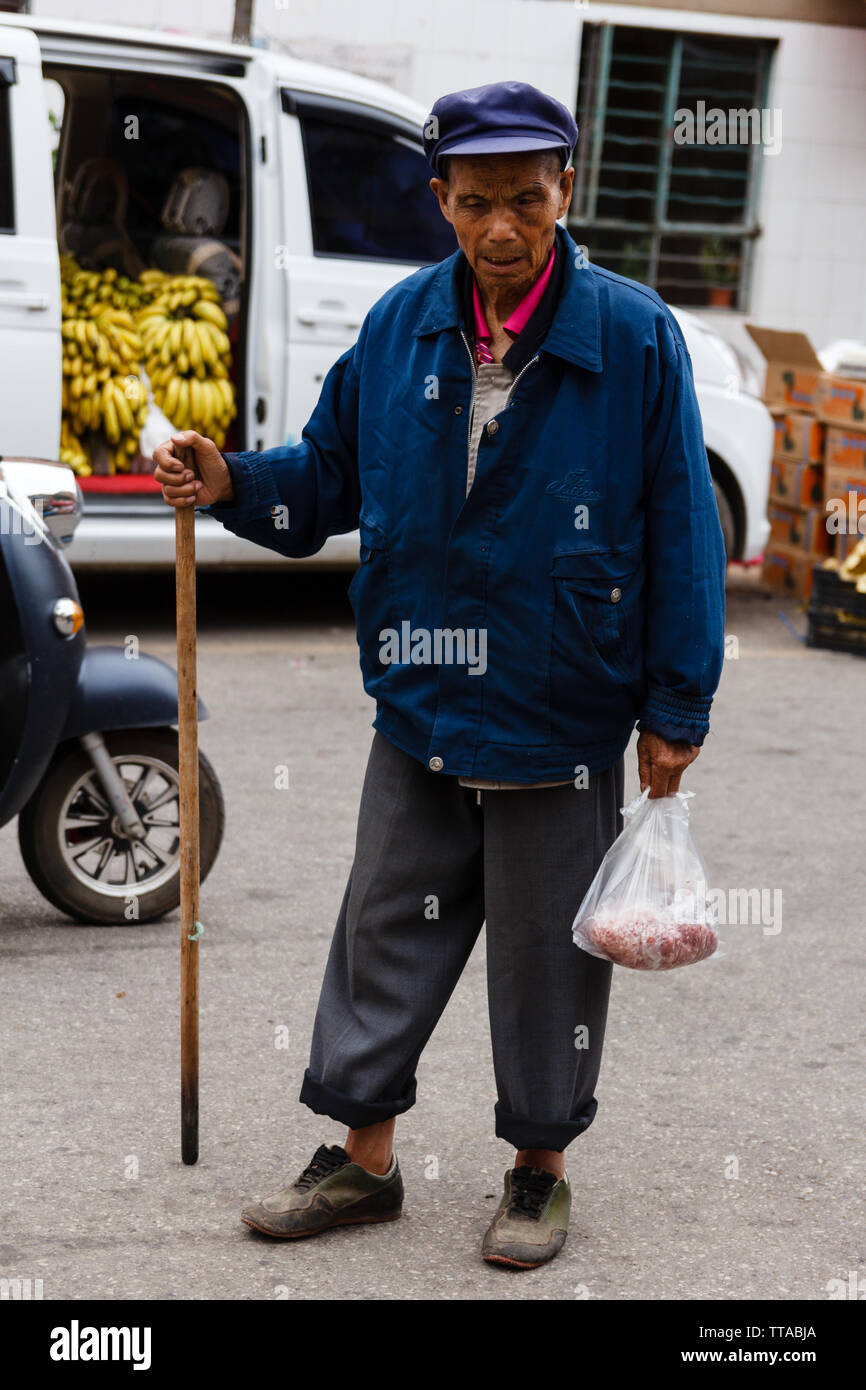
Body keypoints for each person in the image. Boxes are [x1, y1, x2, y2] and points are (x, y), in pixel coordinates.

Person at [154, 80, 726, 1271]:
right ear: (440, 200)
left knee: (544, 953)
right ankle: (363, 1162)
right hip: (417, 701)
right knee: (381, 933)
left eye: (525, 198)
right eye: (475, 204)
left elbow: (682, 531)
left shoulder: (631, 338)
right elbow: (322, 479)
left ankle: (536, 1172)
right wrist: (228, 484)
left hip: (562, 703)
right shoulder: (399, 325)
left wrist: (676, 708)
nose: (502, 228)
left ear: (564, 189)